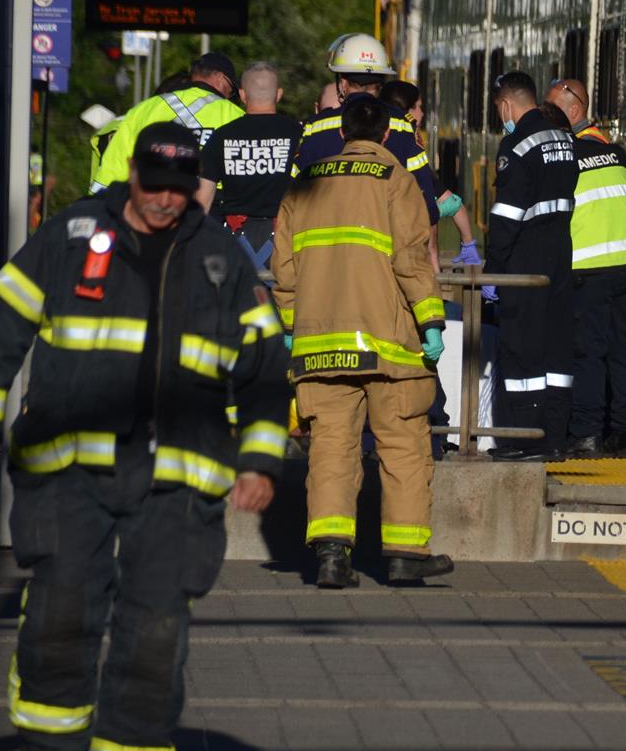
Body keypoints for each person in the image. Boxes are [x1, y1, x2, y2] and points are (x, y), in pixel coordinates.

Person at [0, 122, 288, 751]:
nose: (166, 201)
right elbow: (1, 322)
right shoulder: (71, 236)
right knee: (60, 613)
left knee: (155, 627)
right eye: (154, 186)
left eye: (178, 189)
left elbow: (263, 372)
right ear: (131, 175)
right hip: (69, 465)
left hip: (177, 477)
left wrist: (261, 460)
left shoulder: (221, 259)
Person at [272, 98, 455, 589]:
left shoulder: (304, 182)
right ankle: (404, 556)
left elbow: (284, 270)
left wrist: (293, 328)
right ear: (388, 133)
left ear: (342, 130)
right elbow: (412, 260)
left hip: (318, 345)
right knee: (402, 444)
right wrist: (431, 321)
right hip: (388, 343)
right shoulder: (394, 180)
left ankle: (332, 557)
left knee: (331, 448)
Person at [545, 78, 626, 456]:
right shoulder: (616, 152)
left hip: (588, 267)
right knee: (625, 352)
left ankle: (587, 434)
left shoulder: (565, 155)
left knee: (587, 353)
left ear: (574, 110)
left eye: (552, 110)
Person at [485, 71, 577, 459]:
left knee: (522, 350)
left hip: (526, 259)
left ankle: (523, 440)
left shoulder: (517, 144)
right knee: (556, 350)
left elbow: (506, 215)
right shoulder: (564, 138)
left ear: (507, 105)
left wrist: (494, 269)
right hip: (560, 253)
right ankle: (554, 438)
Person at [199, 62, 302, 272]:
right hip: (285, 241)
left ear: (243, 95)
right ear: (279, 94)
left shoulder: (222, 136)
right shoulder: (297, 133)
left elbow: (202, 201)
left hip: (235, 240)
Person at [91, 54, 244, 191]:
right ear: (220, 78)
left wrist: (97, 208)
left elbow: (114, 169)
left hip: (150, 200)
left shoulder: (144, 109)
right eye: (231, 91)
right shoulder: (236, 116)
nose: (229, 96)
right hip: (210, 208)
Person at [379, 79, 478, 268]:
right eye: (419, 107)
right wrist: (467, 243)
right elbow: (438, 203)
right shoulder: (408, 139)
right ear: (407, 111)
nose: (422, 113)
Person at [289, 33, 393, 175]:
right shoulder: (405, 127)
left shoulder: (315, 129)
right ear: (381, 82)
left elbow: (296, 185)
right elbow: (422, 187)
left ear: (343, 83)